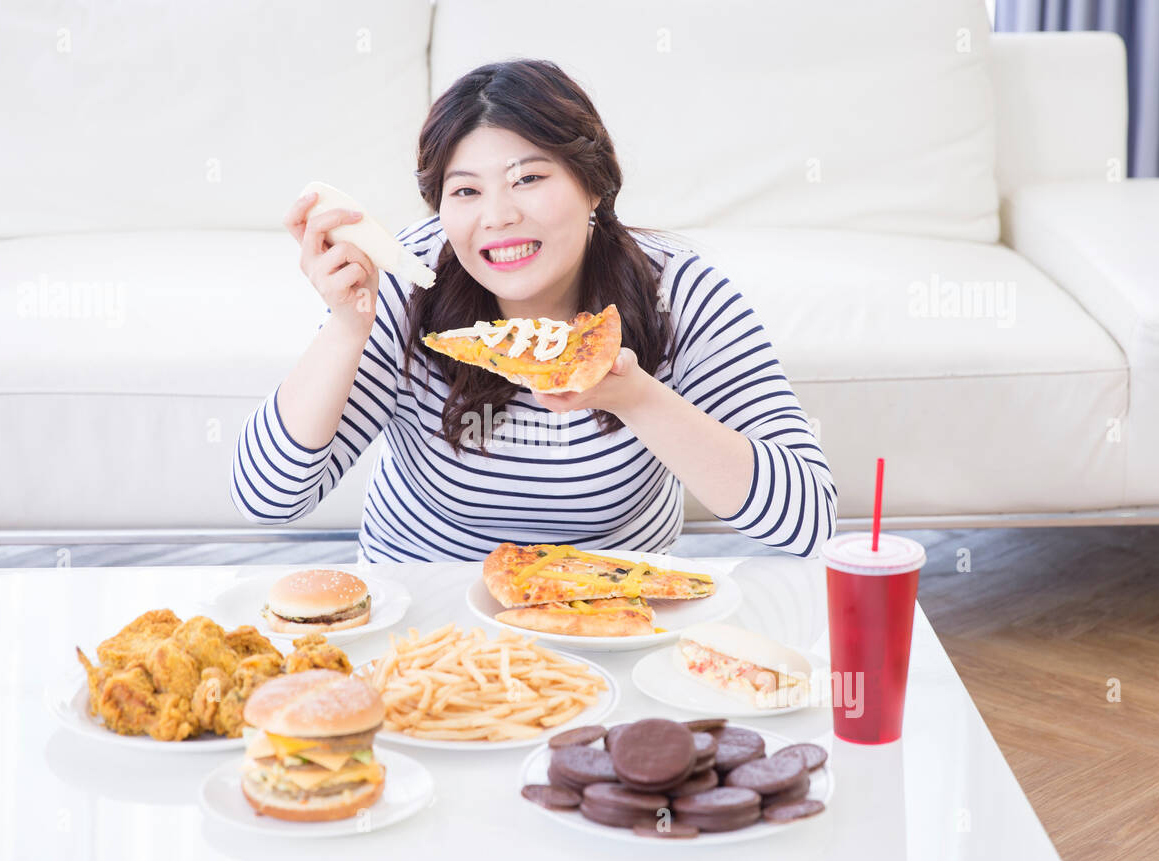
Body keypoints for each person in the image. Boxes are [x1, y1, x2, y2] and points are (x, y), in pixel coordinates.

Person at [232, 59, 837, 563]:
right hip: (429, 624)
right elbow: (266, 500)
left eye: (527, 179)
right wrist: (346, 327)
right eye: (465, 190)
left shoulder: (676, 291)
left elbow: (808, 520)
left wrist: (634, 397)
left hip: (613, 620)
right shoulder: (404, 282)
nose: (496, 216)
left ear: (594, 184)